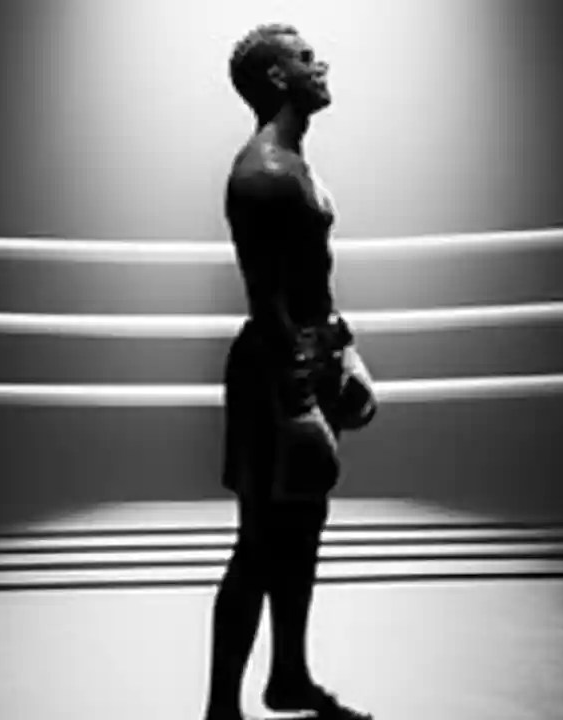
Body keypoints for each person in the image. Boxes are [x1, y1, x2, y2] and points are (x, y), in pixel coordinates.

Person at [203, 23, 379, 720]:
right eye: (306, 59)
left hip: (309, 358)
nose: (320, 64)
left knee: (302, 532)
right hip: (277, 375)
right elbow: (268, 300)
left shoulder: (294, 163)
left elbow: (312, 287)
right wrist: (299, 400)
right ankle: (221, 709)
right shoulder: (263, 175)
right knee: (259, 544)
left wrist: (345, 345)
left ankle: (289, 678)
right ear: (278, 78)